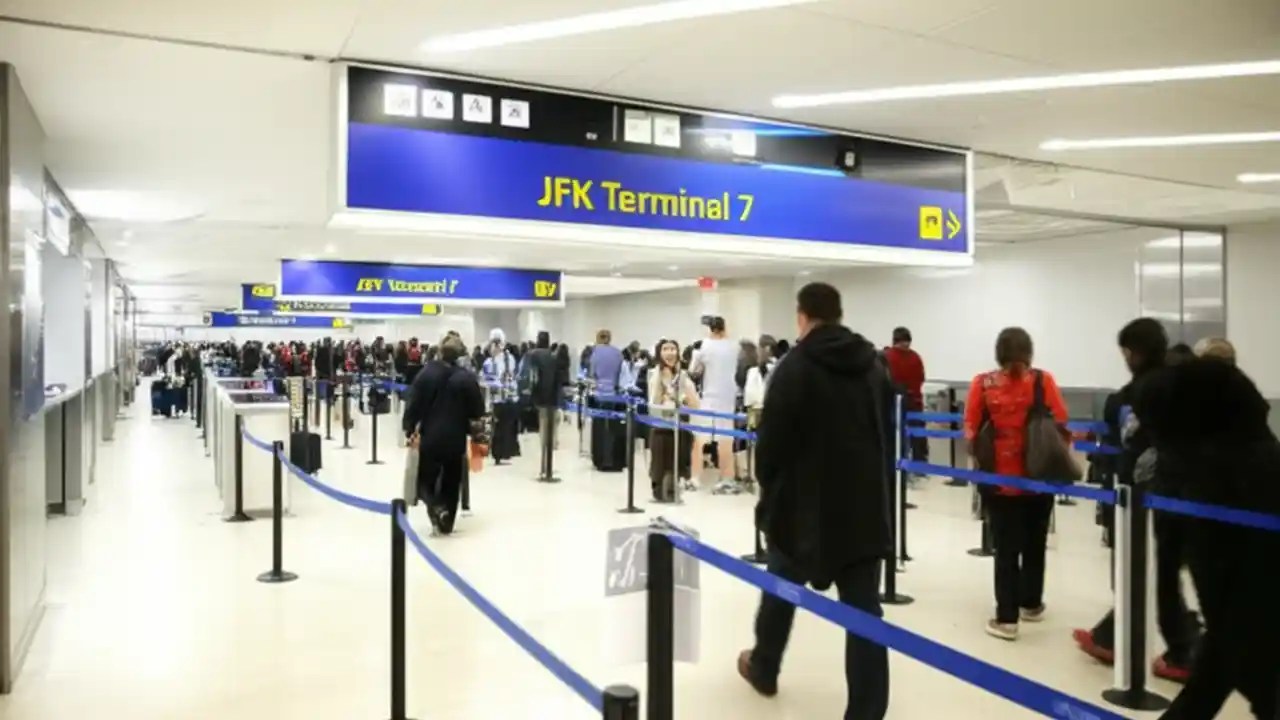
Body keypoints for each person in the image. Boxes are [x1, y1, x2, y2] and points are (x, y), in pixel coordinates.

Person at [738, 283, 891, 720]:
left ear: (802, 316)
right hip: (862, 511)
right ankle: (866, 710)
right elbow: (885, 435)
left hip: (801, 511)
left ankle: (765, 667)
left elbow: (771, 447)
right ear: (838, 315)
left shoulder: (793, 368)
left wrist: (770, 491)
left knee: (780, 591)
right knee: (864, 614)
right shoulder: (873, 366)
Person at [1135, 358, 1280, 720]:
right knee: (1231, 653)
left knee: (1232, 654)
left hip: (1234, 579)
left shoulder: (1205, 464)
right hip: (1240, 590)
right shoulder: (1247, 449)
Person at [1074, 318, 1199, 680]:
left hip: (1144, 498)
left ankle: (1175, 647)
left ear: (1134, 352)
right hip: (1182, 494)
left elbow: (1127, 435)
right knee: (1161, 571)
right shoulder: (1186, 387)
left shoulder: (1135, 394)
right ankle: (1122, 636)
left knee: (1143, 570)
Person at [965, 327, 1068, 641]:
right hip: (1038, 477)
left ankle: (1006, 618)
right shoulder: (1042, 381)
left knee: (1006, 548)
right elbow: (1061, 422)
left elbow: (970, 430)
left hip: (1000, 479)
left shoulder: (982, 384)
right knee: (1035, 542)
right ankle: (1031, 602)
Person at [402, 334, 484, 536]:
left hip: (430, 437)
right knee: (452, 480)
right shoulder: (466, 378)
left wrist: (409, 428)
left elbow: (414, 404)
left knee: (426, 480)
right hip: (455, 438)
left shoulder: (426, 374)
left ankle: (436, 508)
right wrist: (478, 437)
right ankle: (447, 519)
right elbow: (477, 410)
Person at [692, 316, 741, 494]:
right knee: (726, 438)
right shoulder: (735, 346)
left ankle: (695, 478)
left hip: (710, 396)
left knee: (700, 438)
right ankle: (727, 478)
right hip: (728, 396)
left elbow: (694, 371)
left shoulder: (705, 346)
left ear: (710, 329)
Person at [648, 339, 699, 502]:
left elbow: (694, 403)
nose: (669, 352)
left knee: (680, 453)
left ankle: (676, 485)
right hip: (661, 424)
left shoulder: (684, 376)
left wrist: (682, 397)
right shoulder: (654, 374)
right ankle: (660, 488)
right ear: (659, 353)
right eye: (665, 349)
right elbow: (654, 400)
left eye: (673, 349)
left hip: (681, 424)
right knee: (661, 457)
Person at [883, 327, 928, 478]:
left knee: (901, 437)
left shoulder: (887, 356)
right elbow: (921, 378)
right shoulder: (914, 357)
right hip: (911, 401)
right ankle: (917, 467)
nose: (905, 346)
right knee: (916, 437)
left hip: (897, 402)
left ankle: (900, 466)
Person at [521, 331, 564, 482]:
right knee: (550, 429)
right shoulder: (553, 357)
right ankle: (548, 463)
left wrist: (528, 393)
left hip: (539, 397)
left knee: (543, 428)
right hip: (552, 398)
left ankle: (544, 464)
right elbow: (559, 379)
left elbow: (531, 376)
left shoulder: (532, 355)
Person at [482, 337, 520, 464]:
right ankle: (502, 452)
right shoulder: (506, 360)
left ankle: (499, 453)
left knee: (499, 426)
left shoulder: (497, 361)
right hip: (504, 398)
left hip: (500, 398)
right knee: (502, 426)